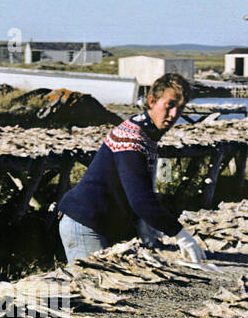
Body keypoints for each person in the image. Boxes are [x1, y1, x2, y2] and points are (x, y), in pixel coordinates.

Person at [56, 72, 207, 265]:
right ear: (152, 101)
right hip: (85, 223)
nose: (174, 114)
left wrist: (148, 231)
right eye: (169, 105)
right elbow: (141, 200)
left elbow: (141, 191)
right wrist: (182, 236)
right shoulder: (132, 138)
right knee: (96, 284)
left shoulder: (147, 133)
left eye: (180, 108)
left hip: (97, 221)